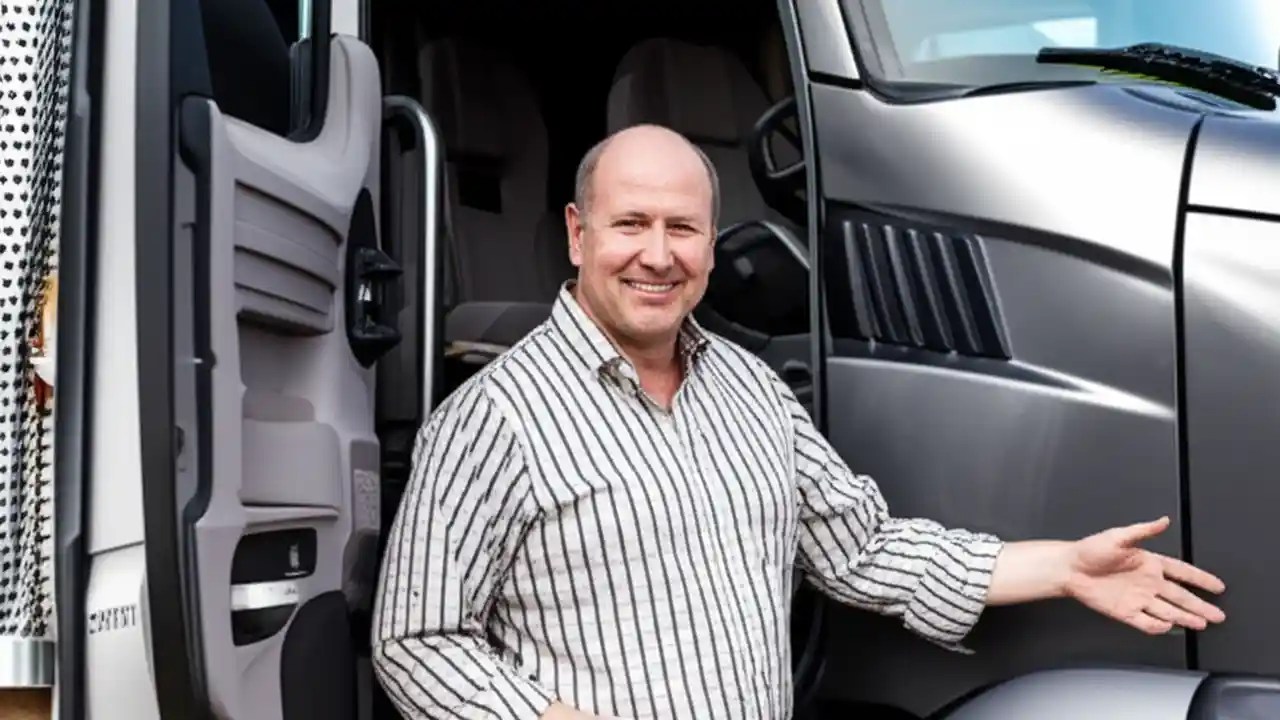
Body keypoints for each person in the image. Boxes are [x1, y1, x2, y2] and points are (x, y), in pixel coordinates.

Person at [370, 124, 1226, 720]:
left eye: (682, 228)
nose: (658, 255)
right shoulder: (494, 417)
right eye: (630, 224)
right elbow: (415, 640)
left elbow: (862, 551)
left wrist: (1064, 567)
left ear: (712, 243)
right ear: (577, 233)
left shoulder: (752, 390)